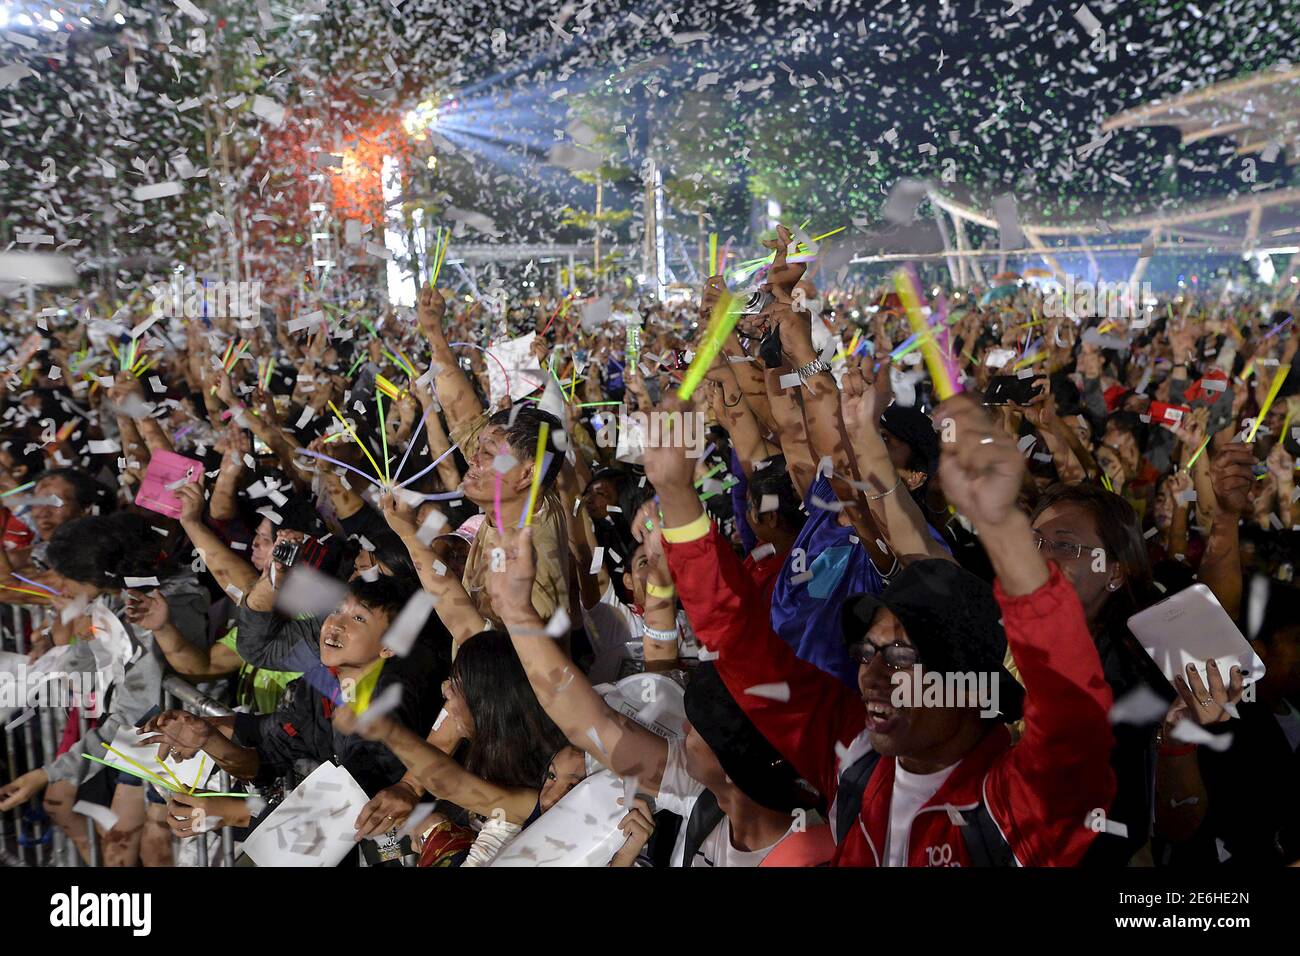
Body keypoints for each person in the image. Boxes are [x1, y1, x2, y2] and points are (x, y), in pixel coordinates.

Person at [651, 391, 1116, 865]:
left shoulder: (1019, 804)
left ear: (969, 686)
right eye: (867, 652)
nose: (872, 675)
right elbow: (740, 642)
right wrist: (676, 495)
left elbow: (1072, 714)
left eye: (900, 657)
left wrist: (1006, 532)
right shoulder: (854, 754)